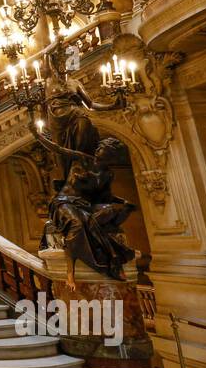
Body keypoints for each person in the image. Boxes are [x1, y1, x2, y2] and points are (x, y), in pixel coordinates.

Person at [32, 122, 137, 289]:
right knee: (77, 224)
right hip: (64, 202)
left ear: (111, 156)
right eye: (101, 148)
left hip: (85, 205)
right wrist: (37, 135)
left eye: (104, 149)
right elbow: (58, 149)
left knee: (108, 212)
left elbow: (107, 197)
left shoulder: (107, 174)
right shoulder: (81, 158)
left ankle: (114, 260)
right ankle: (72, 273)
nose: (98, 150)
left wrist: (124, 203)